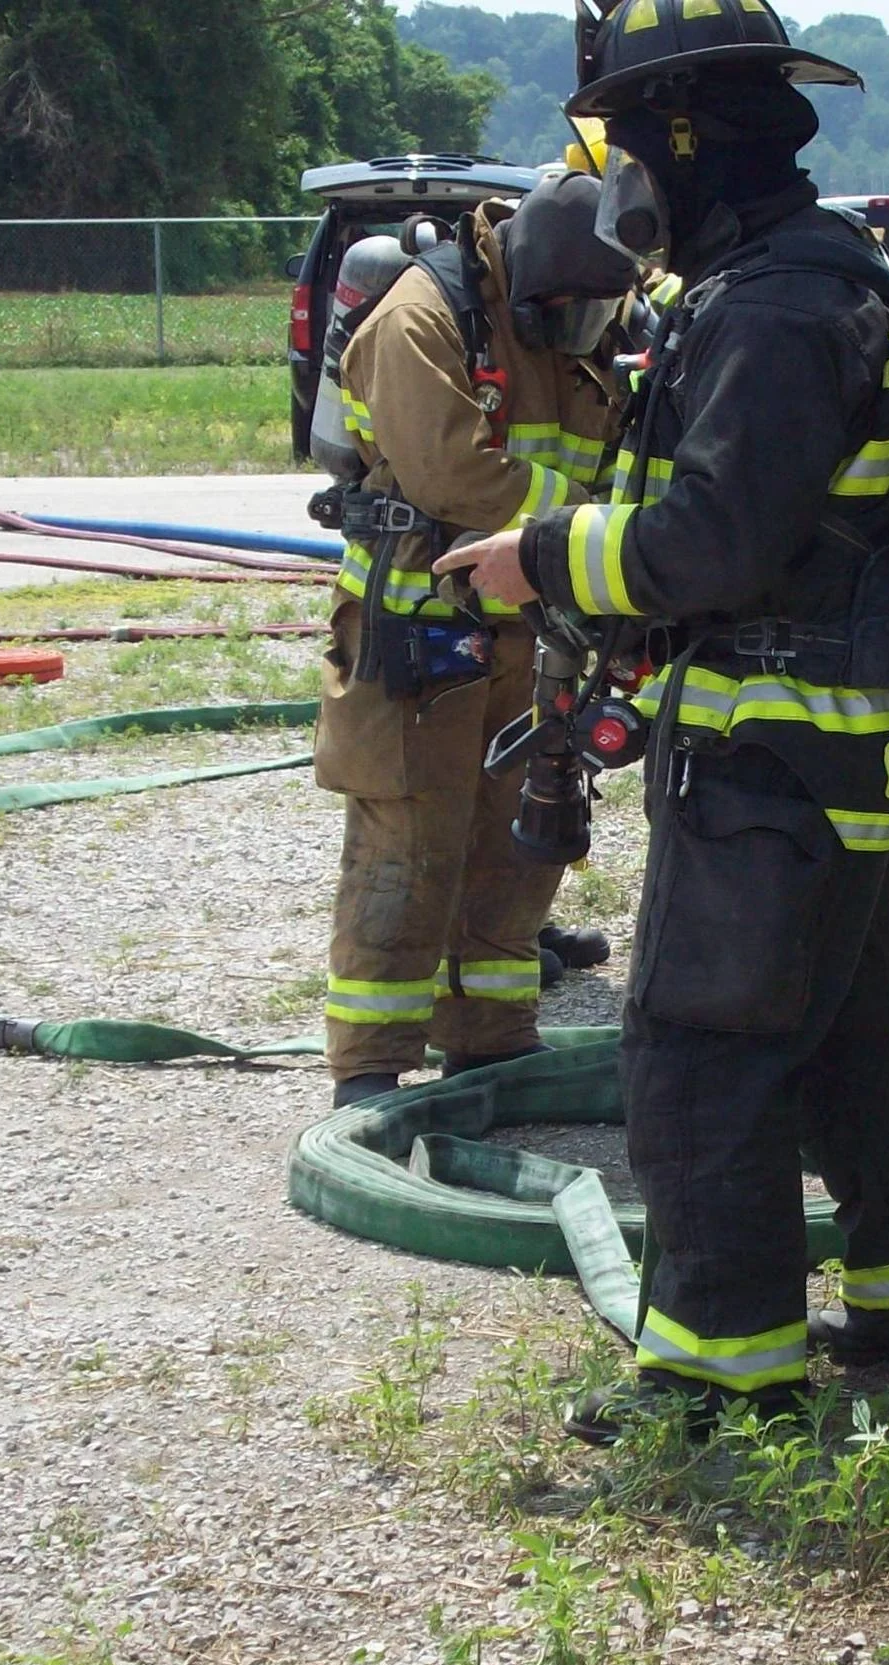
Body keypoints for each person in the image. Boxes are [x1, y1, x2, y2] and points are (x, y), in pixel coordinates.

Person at [437, 0, 889, 1442]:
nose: (617, 187)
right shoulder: (802, 278)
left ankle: (714, 1379)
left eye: (625, 150)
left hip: (770, 753)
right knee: (844, 1037)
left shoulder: (768, 307)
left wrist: (541, 555)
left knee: (699, 1049)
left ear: (687, 146)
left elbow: (712, 541)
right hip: (833, 745)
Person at [317, 173, 634, 1108]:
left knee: (518, 841)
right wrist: (590, 535)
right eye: (573, 315)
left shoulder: (586, 320)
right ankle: (371, 1069)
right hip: (419, 633)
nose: (589, 334)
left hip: (534, 631)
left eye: (599, 316)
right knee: (410, 846)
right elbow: (452, 471)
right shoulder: (422, 318)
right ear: (532, 281)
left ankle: (491, 1039)